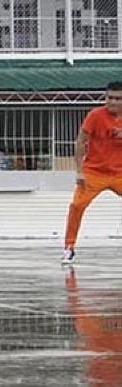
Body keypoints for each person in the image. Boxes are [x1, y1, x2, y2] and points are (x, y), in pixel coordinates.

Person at [61, 81, 122, 265]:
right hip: (94, 171)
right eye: (109, 98)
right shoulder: (95, 115)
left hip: (120, 172)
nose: (113, 102)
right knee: (77, 206)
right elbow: (81, 141)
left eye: (118, 99)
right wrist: (79, 171)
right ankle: (69, 247)